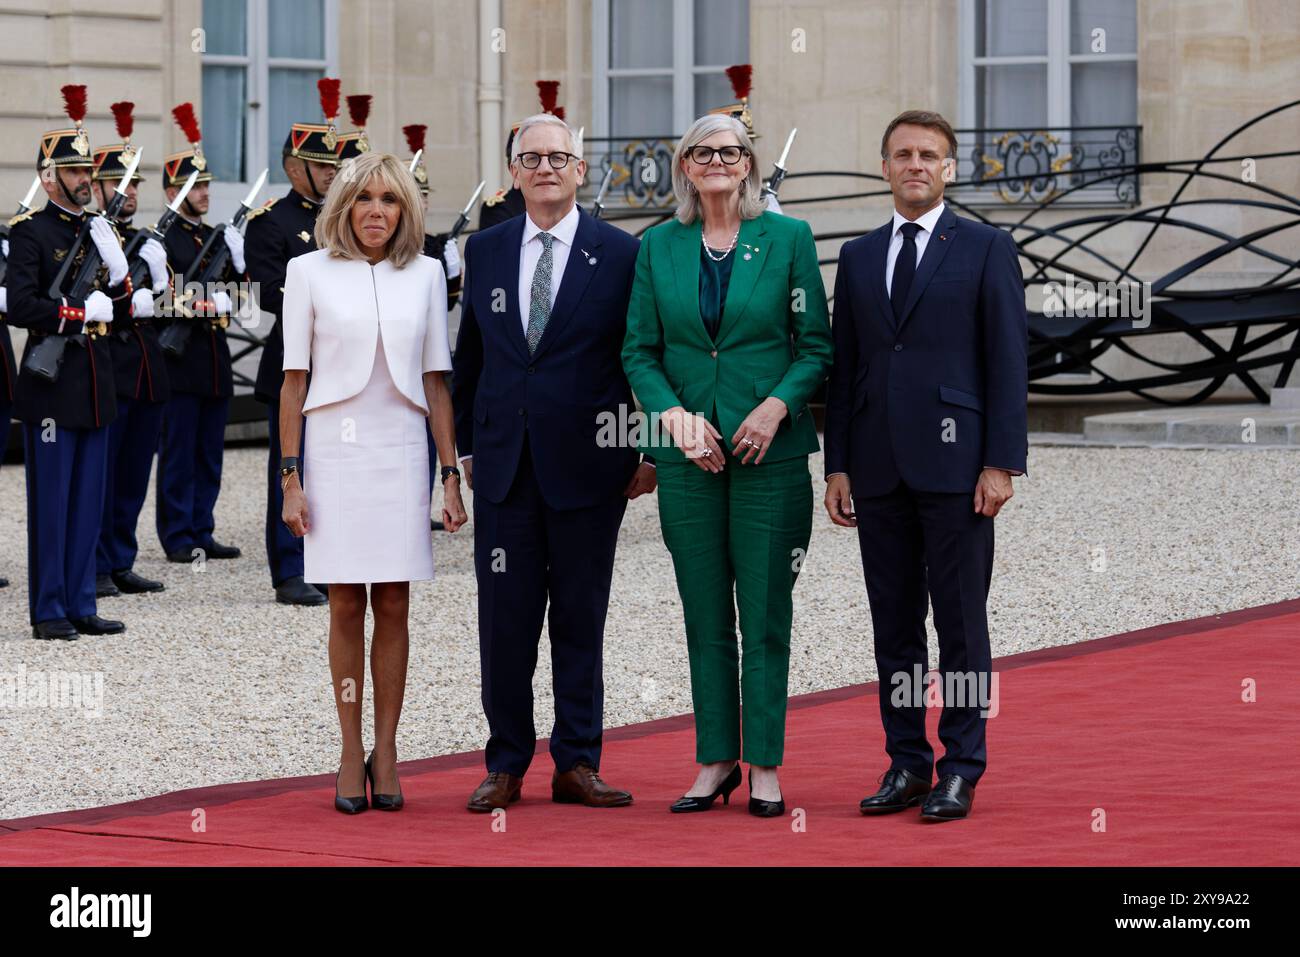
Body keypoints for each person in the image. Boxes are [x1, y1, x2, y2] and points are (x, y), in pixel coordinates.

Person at [622, 113, 832, 817]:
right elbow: (639, 352)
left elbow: (816, 347)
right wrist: (672, 418)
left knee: (766, 613)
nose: (717, 161)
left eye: (730, 151)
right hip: (688, 461)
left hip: (769, 454)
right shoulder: (658, 247)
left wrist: (776, 406)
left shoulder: (789, 239)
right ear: (685, 166)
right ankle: (715, 758)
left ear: (748, 164)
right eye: (702, 151)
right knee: (705, 614)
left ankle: (764, 762)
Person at [823, 110, 1028, 822]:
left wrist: (1001, 462)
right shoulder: (856, 256)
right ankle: (907, 761)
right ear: (884, 167)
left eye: (929, 155)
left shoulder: (985, 247)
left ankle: (961, 766)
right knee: (895, 626)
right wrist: (838, 464)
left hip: (958, 469)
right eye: (903, 154)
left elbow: (1007, 362)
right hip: (877, 471)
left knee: (962, 625)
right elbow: (847, 366)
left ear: (949, 168)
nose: (916, 164)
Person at [452, 112, 655, 812]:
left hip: (591, 465)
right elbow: (470, 357)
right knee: (504, 619)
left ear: (580, 169)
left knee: (579, 615)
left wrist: (646, 446)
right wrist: (465, 449)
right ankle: (505, 762)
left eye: (558, 157)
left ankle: (577, 761)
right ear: (513, 171)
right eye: (530, 157)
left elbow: (639, 357)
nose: (545, 168)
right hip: (504, 466)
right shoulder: (485, 250)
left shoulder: (622, 253)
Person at [280, 151, 466, 814]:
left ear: (406, 209)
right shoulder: (306, 272)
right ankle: (347, 747)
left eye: (390, 199)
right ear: (343, 205)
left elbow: (437, 382)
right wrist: (290, 478)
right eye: (364, 198)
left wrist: (450, 475)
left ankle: (386, 750)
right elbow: (292, 381)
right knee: (343, 605)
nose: (376, 211)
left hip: (399, 450)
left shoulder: (424, 274)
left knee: (393, 602)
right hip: (332, 451)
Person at [6, 84, 133, 639]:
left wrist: (120, 269)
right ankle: (50, 608)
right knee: (53, 503)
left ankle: (83, 600)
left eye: (88, 170)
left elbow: (125, 313)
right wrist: (79, 313)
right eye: (74, 172)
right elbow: (20, 305)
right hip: (52, 382)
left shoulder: (98, 230)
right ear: (50, 177)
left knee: (88, 501)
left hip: (94, 383)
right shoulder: (30, 232)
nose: (87, 179)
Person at [246, 80, 341, 605]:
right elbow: (266, 291)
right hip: (294, 360)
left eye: (334, 166)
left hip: (341, 361)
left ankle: (325, 562)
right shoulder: (271, 222)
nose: (331, 173)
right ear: (293, 167)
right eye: (322, 166)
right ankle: (288, 570)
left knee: (329, 465)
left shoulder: (343, 216)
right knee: (291, 463)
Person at [154, 103, 243, 566]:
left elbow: (244, 300)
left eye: (207, 185)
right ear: (173, 190)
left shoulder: (215, 236)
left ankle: (202, 529)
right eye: (196, 186)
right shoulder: (163, 239)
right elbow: (161, 297)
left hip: (213, 356)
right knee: (179, 452)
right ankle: (176, 533)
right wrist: (206, 300)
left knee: (210, 452)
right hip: (179, 359)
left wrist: (238, 270)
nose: (205, 193)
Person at [91, 102, 172, 597]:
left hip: (145, 370)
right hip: (109, 369)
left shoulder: (142, 239)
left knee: (134, 471)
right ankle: (96, 563)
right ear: (97, 187)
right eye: (121, 184)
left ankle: (120, 557)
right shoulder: (92, 237)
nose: (132, 192)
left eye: (137, 184)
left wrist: (161, 285)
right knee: (103, 473)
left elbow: (169, 303)